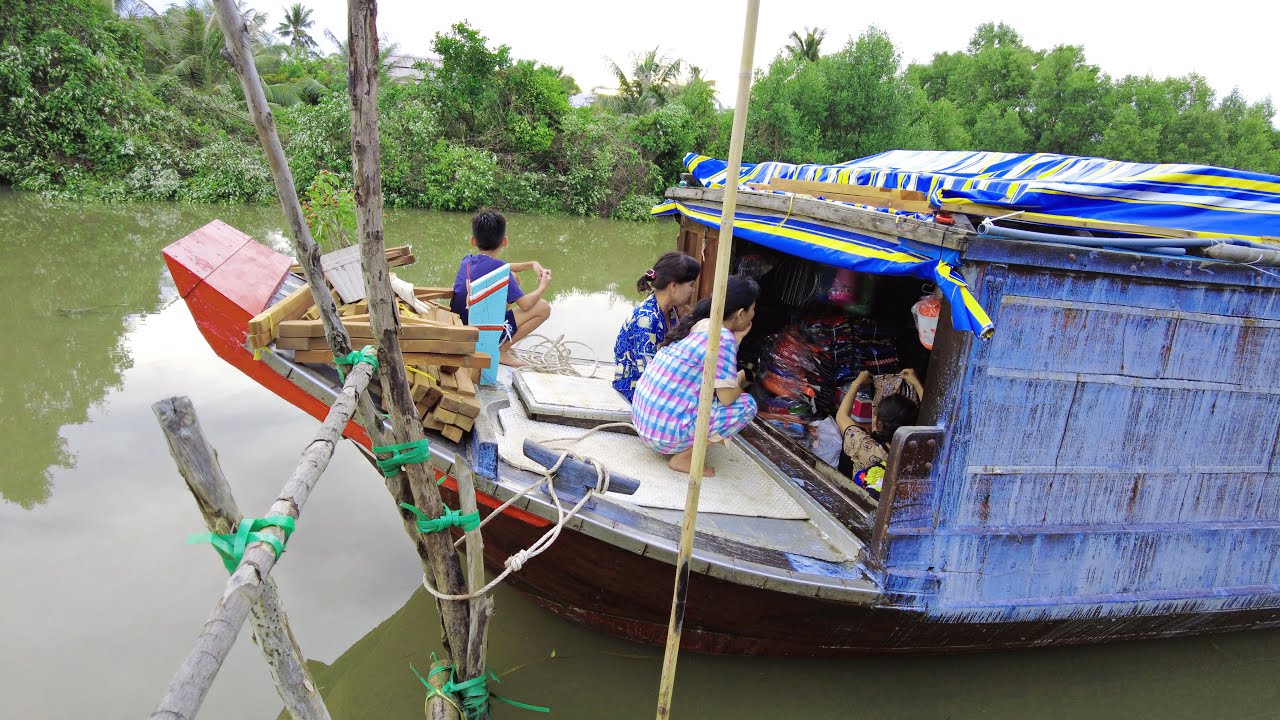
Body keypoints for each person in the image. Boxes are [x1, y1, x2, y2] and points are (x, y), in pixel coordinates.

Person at [631, 275, 760, 476]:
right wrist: (744, 378)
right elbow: (726, 397)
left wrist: (737, 339)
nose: (754, 314)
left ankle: (683, 444)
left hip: (644, 422)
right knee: (747, 405)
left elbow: (718, 370)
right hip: (663, 437)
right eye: (753, 309)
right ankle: (684, 458)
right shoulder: (722, 339)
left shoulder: (702, 323)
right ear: (741, 313)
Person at [450, 209, 552, 367]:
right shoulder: (499, 269)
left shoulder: (467, 261)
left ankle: (501, 339)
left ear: (473, 241)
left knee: (514, 277)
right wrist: (543, 286)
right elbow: (525, 305)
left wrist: (531, 264)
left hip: (461, 326)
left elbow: (503, 267)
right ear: (504, 241)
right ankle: (501, 350)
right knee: (543, 307)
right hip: (481, 333)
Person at [612, 252, 702, 402]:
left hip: (656, 382)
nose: (692, 290)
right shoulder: (647, 320)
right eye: (691, 285)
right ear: (674, 286)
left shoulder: (671, 310)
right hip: (635, 389)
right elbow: (649, 375)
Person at [834, 368, 924, 498]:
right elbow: (933, 418)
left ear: (877, 423)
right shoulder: (920, 449)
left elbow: (841, 416)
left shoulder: (865, 446)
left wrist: (857, 383)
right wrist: (916, 383)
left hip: (864, 501)